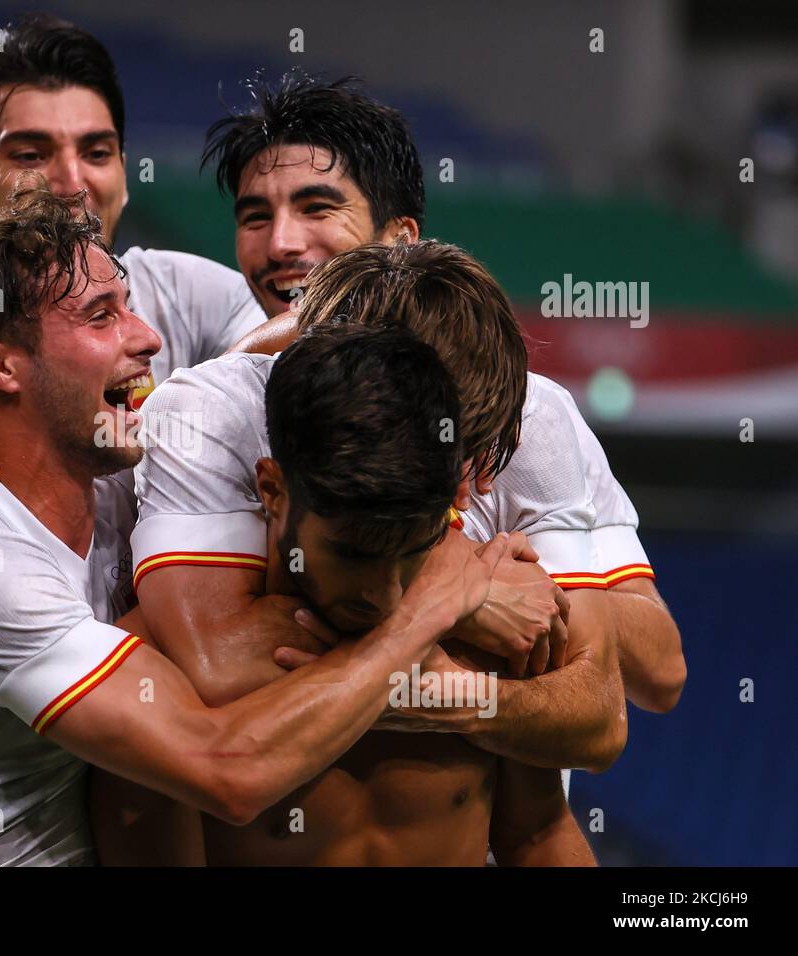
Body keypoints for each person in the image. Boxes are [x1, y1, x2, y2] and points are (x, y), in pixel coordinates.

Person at [0, 185, 512, 865]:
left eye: (130, 306)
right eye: (102, 316)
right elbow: (227, 770)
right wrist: (427, 612)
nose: (149, 337)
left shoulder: (115, 494)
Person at [98, 244, 617, 864]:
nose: (385, 594)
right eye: (353, 553)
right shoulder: (154, 673)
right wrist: (421, 655)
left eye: (412, 551)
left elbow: (542, 829)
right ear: (271, 490)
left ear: (455, 494)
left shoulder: (503, 605)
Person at [206, 72, 684, 714]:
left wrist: (523, 597)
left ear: (401, 243)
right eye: (255, 216)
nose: (281, 243)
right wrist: (461, 597)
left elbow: (659, 673)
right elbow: (202, 651)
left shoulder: (531, 412)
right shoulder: (220, 406)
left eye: (317, 208)